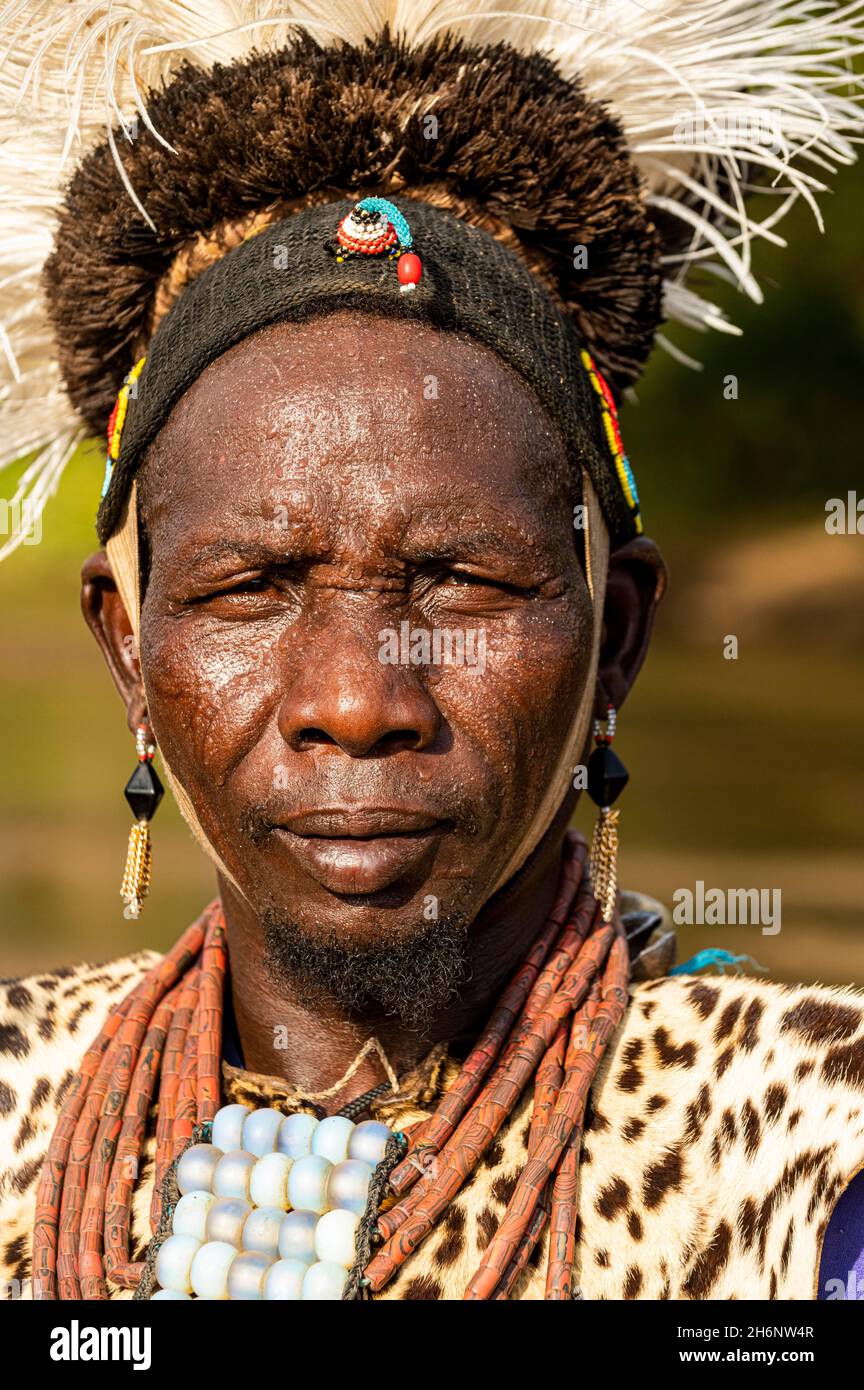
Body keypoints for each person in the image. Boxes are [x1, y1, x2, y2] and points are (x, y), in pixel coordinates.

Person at [1, 2, 862, 1302]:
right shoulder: (22, 1109)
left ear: (616, 639)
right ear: (129, 653)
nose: (355, 700)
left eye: (461, 580)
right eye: (253, 585)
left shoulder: (806, 1176)